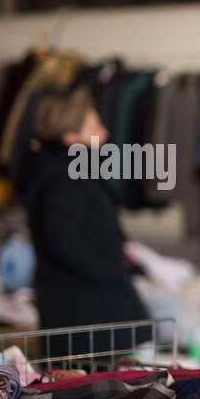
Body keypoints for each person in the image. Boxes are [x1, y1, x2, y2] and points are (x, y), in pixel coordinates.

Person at [23, 87, 149, 355]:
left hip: (87, 302)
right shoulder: (62, 178)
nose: (104, 131)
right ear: (71, 136)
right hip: (82, 308)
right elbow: (62, 239)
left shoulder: (71, 170)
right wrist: (109, 271)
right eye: (94, 125)